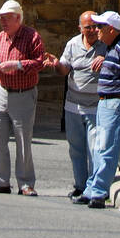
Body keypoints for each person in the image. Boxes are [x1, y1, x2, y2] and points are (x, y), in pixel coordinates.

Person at [74, 12, 120, 209]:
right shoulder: (111, 48)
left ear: (111, 30)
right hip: (106, 103)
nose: (96, 30)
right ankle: (91, 189)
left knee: (107, 148)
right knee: (99, 147)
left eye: (101, 27)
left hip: (116, 103)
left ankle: (98, 192)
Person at [44, 10, 106, 199]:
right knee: (76, 148)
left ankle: (93, 187)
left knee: (94, 148)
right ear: (80, 28)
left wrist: (105, 59)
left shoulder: (105, 45)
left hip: (95, 107)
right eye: (88, 27)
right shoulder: (73, 44)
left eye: (96, 26)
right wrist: (56, 64)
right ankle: (80, 185)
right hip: (73, 106)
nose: (93, 30)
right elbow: (64, 69)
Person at [0, 0, 45, 196]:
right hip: (1, 91)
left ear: (18, 18)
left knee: (23, 141)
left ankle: (26, 183)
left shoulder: (32, 36)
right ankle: (1, 181)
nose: (2, 22)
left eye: (6, 18)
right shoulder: (1, 37)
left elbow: (39, 62)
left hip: (23, 94)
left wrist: (18, 65)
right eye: (1, 18)